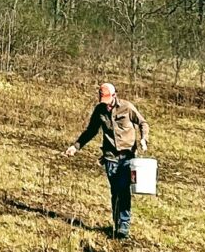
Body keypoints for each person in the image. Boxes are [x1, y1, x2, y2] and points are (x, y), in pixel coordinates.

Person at [65, 82, 152, 240]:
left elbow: (143, 123)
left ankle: (124, 226)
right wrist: (76, 147)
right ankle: (116, 223)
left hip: (127, 156)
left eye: (107, 98)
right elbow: (91, 131)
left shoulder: (127, 107)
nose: (105, 103)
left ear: (114, 95)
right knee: (115, 192)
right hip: (110, 157)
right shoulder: (99, 111)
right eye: (102, 99)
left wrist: (144, 139)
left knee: (124, 190)